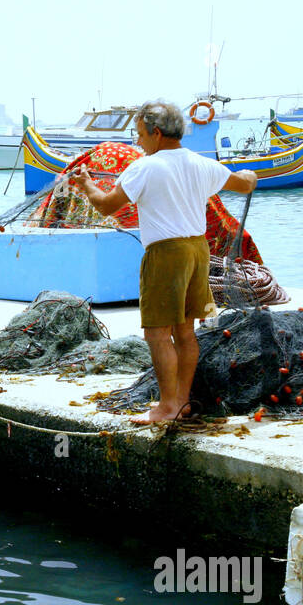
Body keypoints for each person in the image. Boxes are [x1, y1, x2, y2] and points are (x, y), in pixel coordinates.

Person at [73, 102, 257, 424]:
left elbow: (105, 206)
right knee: (185, 333)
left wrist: (86, 183)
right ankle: (181, 403)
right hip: (198, 251)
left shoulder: (145, 167)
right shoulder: (202, 164)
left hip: (166, 255)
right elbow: (243, 183)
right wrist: (250, 175)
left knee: (158, 334)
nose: (139, 141)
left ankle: (167, 407)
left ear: (156, 133)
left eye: (140, 134)